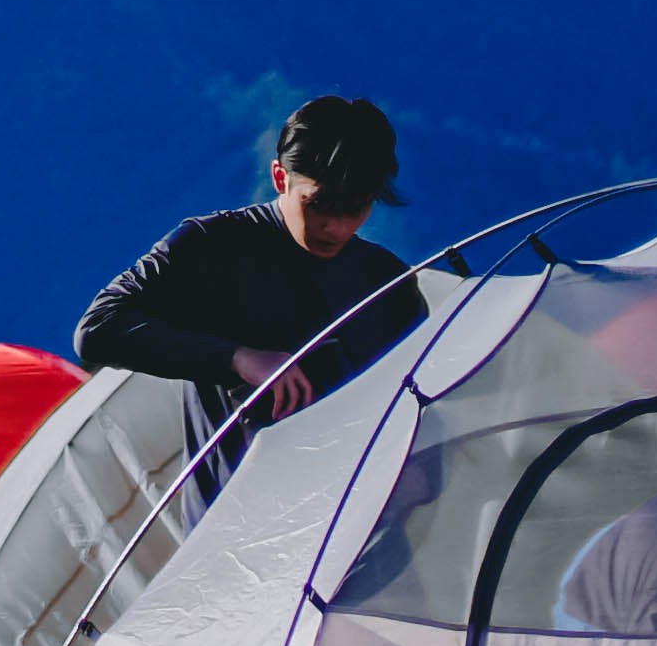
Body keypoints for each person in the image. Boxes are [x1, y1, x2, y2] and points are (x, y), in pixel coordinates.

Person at [75, 94, 425, 475]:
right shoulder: (211, 246)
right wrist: (238, 358)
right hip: (235, 521)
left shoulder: (390, 286)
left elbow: (423, 409)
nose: (335, 227)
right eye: (319, 204)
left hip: (360, 517)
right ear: (280, 178)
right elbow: (97, 329)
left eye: (355, 208)